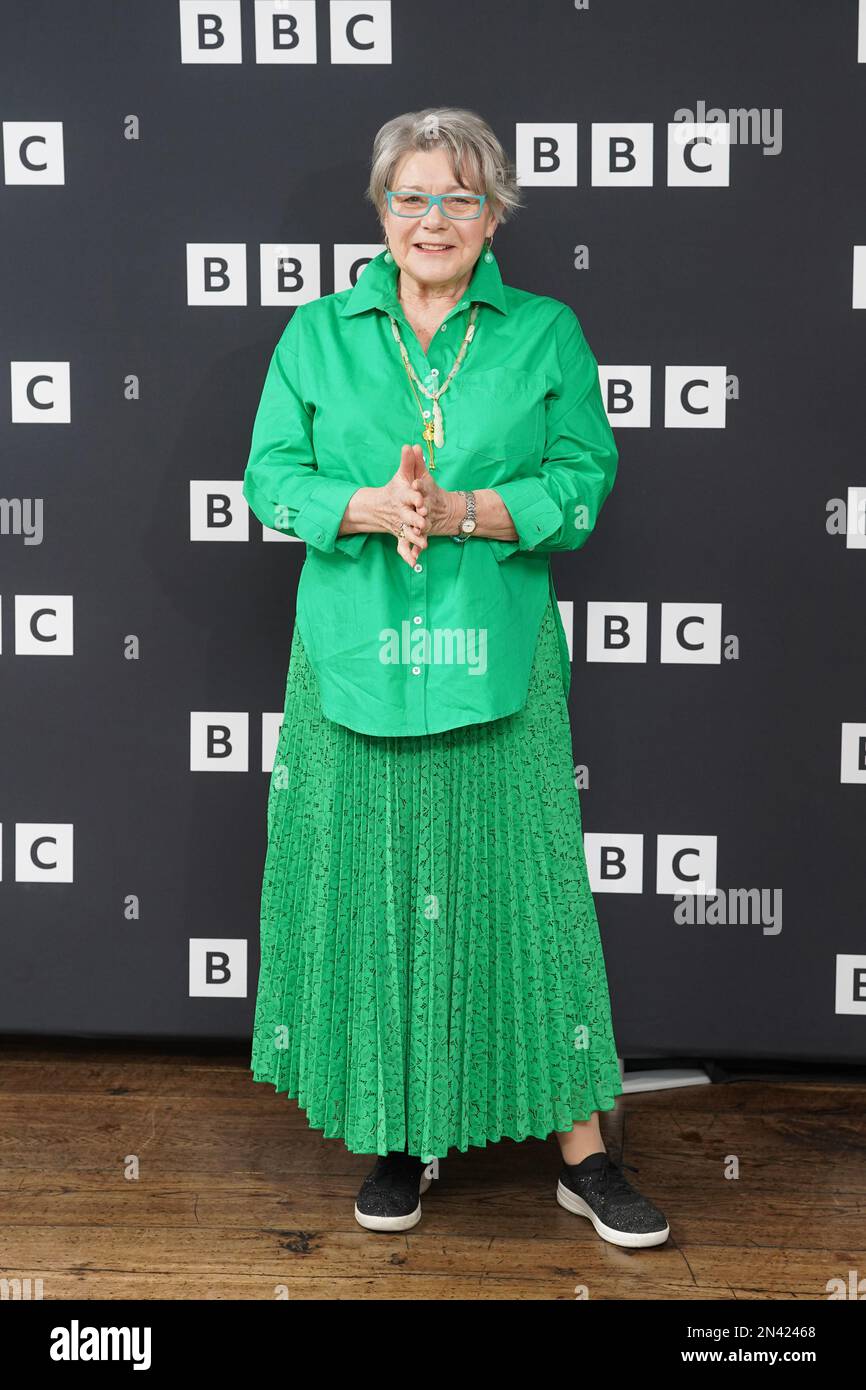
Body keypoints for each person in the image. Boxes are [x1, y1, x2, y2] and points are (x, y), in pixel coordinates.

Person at [243, 106, 669, 1249]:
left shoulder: (544, 333)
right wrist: (368, 505)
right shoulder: (317, 334)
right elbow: (268, 476)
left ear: (491, 216)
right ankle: (401, 1134)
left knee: (529, 894)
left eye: (458, 197)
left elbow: (581, 478)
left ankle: (583, 1156)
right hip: (354, 656)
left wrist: (467, 511)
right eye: (411, 196)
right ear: (381, 210)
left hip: (496, 654)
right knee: (379, 887)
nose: (432, 219)